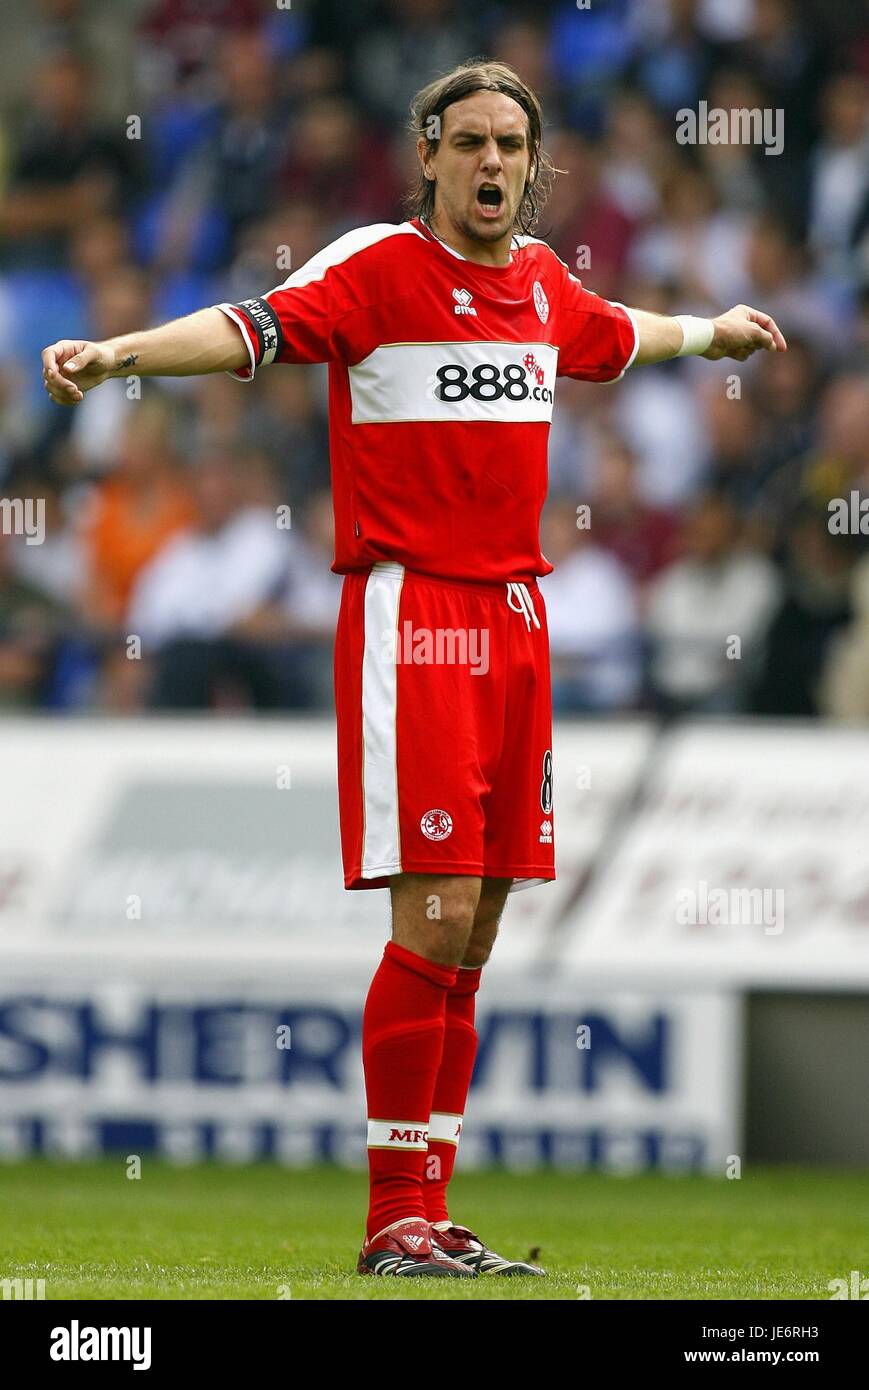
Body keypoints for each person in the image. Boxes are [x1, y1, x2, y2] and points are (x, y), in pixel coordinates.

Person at [41, 59, 786, 1279]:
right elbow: (247, 328)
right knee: (432, 913)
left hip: (517, 620)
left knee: (478, 923)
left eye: (510, 144)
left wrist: (712, 333)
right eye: (468, 143)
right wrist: (122, 354)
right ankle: (392, 1217)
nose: (491, 163)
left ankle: (428, 1214)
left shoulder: (545, 286)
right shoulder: (377, 269)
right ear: (426, 159)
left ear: (532, 168)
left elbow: (620, 336)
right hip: (413, 617)